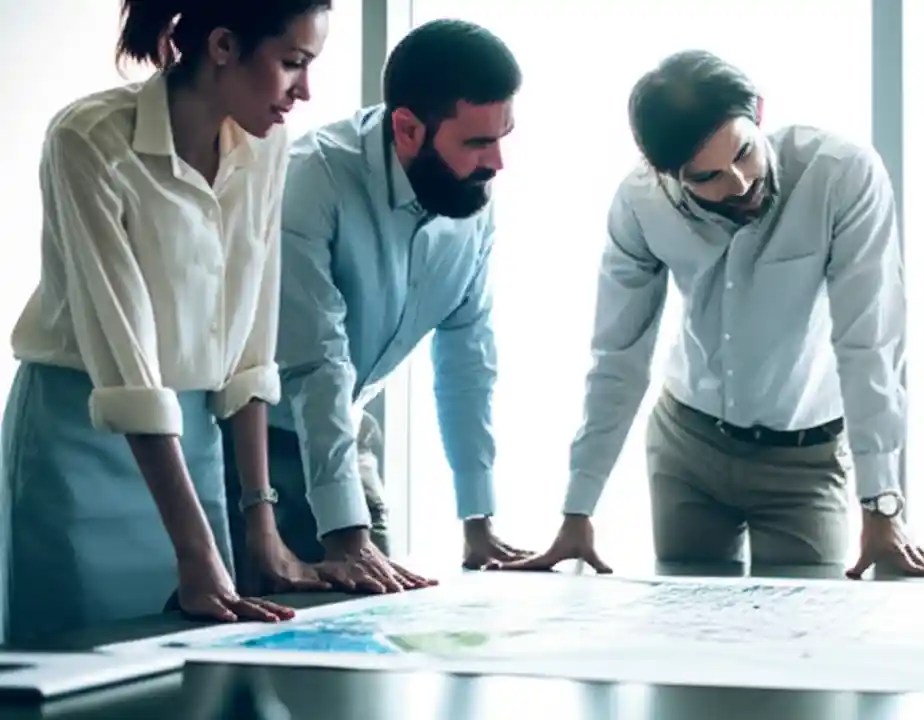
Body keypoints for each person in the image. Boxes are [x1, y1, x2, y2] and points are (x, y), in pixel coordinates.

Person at [506, 50, 924, 577]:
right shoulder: (640, 203)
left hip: (804, 460)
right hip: (686, 449)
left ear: (758, 112)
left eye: (744, 153)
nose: (738, 183)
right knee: (687, 620)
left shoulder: (841, 174)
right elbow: (617, 355)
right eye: (707, 176)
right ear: (667, 174)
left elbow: (869, 341)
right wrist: (577, 511)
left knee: (807, 619)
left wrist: (881, 504)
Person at [0, 0, 335, 645]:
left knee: (199, 660)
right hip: (78, 441)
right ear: (223, 46)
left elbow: (251, 344)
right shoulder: (89, 140)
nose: (305, 90)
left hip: (194, 440)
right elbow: (123, 355)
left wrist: (259, 523)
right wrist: (195, 547)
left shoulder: (267, 147)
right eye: (293, 63)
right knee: (79, 667)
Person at [232, 18, 530, 591]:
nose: (497, 163)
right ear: (408, 129)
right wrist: (346, 535)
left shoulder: (469, 194)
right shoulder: (310, 179)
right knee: (266, 627)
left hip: (344, 434)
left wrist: (478, 520)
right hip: (253, 451)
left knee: (375, 615)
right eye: (477, 143)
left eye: (502, 137)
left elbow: (468, 356)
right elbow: (317, 362)